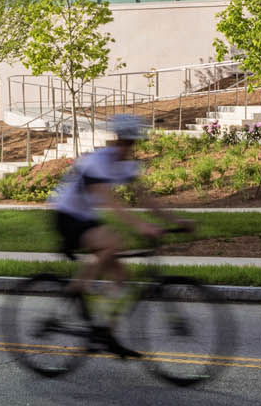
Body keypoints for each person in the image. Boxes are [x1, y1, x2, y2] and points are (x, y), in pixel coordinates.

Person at [46, 114, 177, 351]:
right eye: (125, 142)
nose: (128, 147)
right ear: (117, 139)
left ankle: (104, 332)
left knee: (121, 276)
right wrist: (141, 226)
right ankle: (76, 290)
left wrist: (176, 221)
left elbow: (146, 199)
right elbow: (111, 202)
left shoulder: (125, 165)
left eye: (132, 143)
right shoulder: (98, 162)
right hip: (65, 214)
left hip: (85, 218)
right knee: (112, 242)